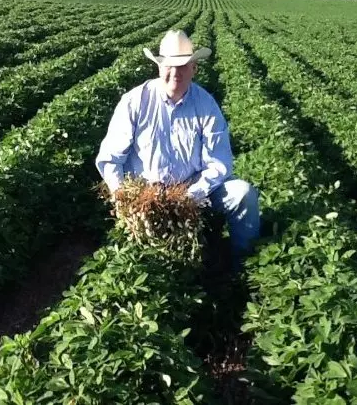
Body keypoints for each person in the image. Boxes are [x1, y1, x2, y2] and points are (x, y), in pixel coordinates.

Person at [96, 29, 260, 273]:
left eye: (183, 66)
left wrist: (191, 196)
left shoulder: (206, 104)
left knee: (243, 194)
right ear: (158, 67)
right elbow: (110, 159)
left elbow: (219, 163)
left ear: (194, 68)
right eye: (169, 66)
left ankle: (243, 266)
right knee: (146, 252)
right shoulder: (135, 102)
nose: (175, 73)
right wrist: (124, 195)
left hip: (193, 188)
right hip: (145, 191)